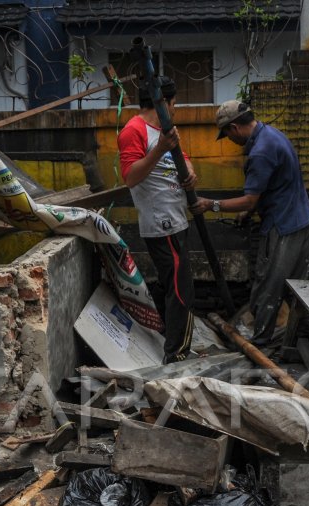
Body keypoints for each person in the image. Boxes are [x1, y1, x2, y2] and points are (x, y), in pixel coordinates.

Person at [191, 99, 309, 344]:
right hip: (302, 221)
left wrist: (211, 205)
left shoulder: (260, 152)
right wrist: (248, 212)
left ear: (235, 128)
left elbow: (249, 200)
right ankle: (303, 337)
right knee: (299, 288)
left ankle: (260, 343)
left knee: (270, 286)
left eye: (227, 135)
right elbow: (271, 187)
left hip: (283, 227)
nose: (230, 140)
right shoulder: (272, 135)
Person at [117, 76, 198, 363]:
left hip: (177, 219)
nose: (175, 110)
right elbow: (131, 177)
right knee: (180, 289)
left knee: (172, 285)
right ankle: (175, 354)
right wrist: (160, 149)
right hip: (160, 222)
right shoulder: (134, 130)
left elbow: (183, 156)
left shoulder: (165, 129)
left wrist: (188, 170)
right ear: (164, 102)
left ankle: (170, 342)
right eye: (174, 104)